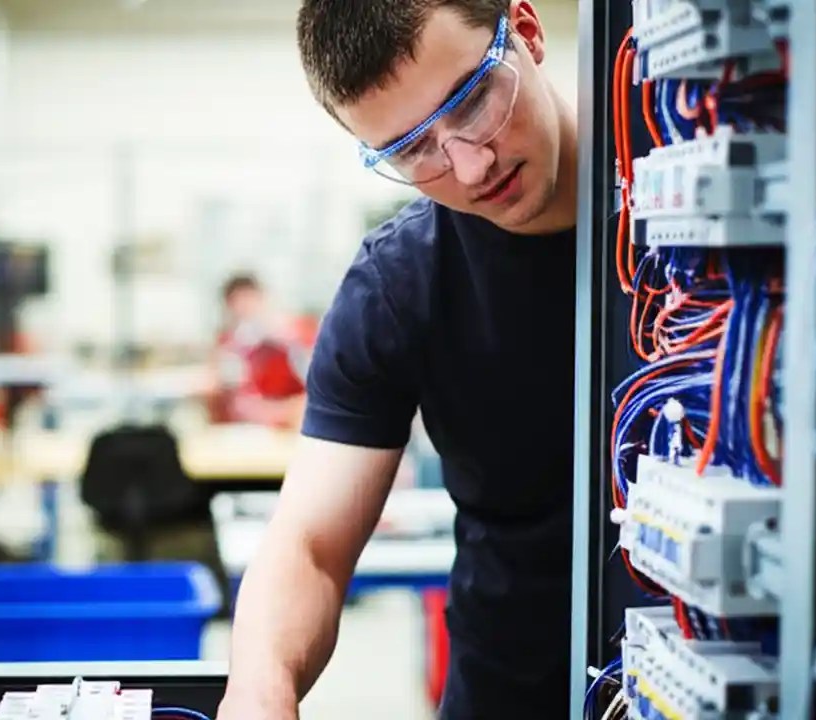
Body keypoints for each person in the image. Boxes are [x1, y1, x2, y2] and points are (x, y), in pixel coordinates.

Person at [217, 0, 579, 717]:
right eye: (414, 150)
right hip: (514, 693)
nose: (471, 166)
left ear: (527, 32)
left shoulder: (698, 208)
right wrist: (260, 690)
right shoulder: (398, 287)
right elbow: (310, 546)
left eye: (474, 99)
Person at [208, 273, 315, 430]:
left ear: (262, 298)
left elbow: (316, 388)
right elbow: (233, 399)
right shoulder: (228, 344)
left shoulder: (293, 334)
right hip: (249, 428)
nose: (243, 308)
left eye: (248, 299)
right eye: (236, 302)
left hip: (293, 422)